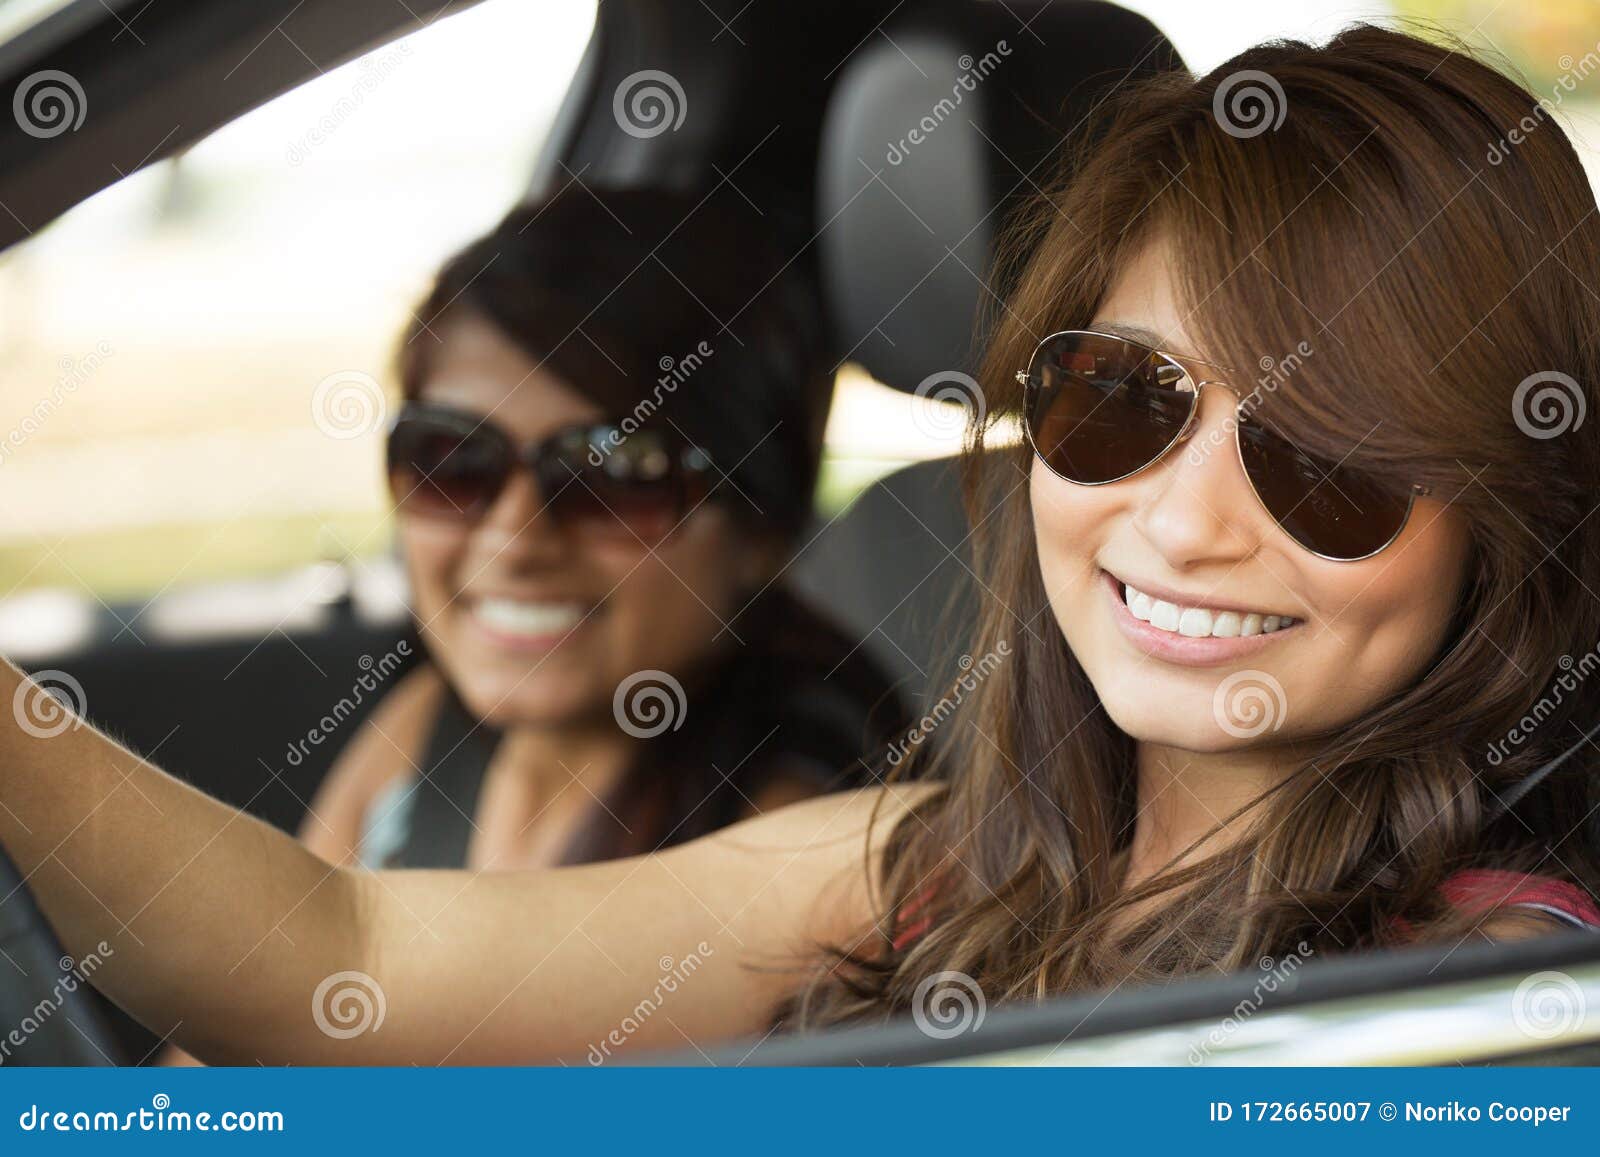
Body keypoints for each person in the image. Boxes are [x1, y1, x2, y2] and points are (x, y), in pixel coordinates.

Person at [1, 25, 1596, 1066]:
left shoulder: (1493, 1001)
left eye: (1328, 466)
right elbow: (333, 959)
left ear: (1504, 524)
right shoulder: (921, 865)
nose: (1182, 519)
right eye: (1124, 401)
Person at [295, 188, 905, 874]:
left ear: (760, 529)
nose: (513, 539)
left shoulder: (811, 837)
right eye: (455, 460)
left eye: (614, 476)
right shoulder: (419, 730)